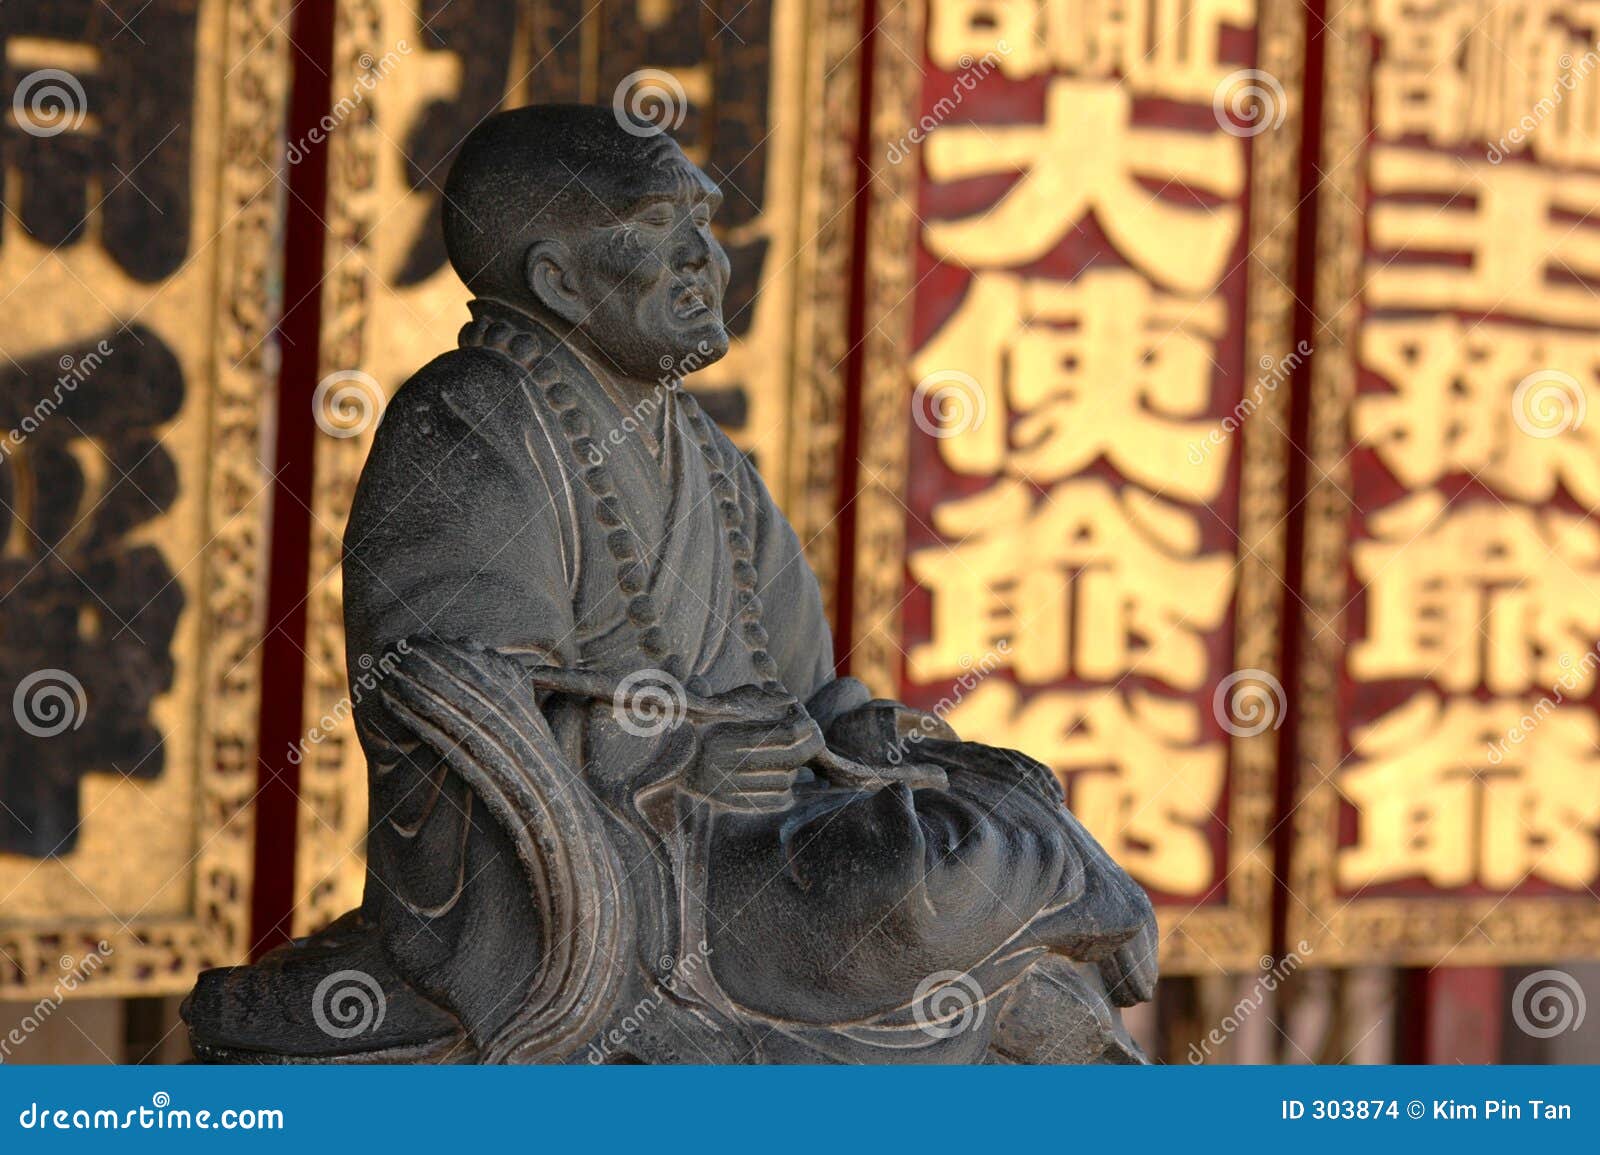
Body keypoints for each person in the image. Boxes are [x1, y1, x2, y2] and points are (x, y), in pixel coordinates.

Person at [184, 105, 1156, 1064]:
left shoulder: (708, 454)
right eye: (656, 227)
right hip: (628, 868)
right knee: (919, 882)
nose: (704, 260)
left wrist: (854, 739)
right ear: (557, 279)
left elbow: (801, 687)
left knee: (1005, 810)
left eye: (704, 223)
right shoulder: (471, 415)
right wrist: (675, 760)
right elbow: (449, 696)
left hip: (751, 832)